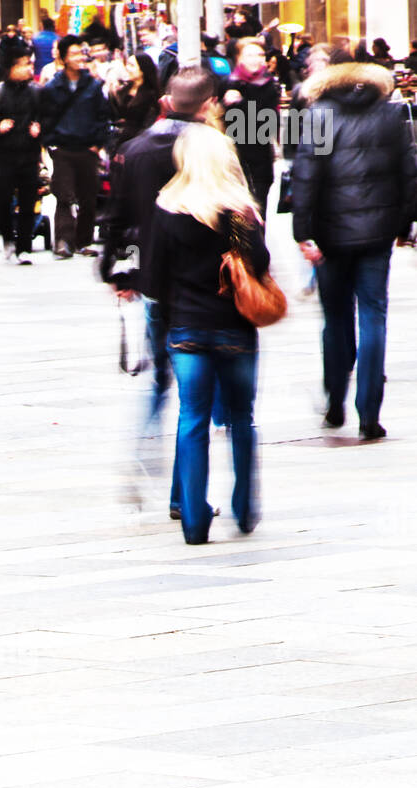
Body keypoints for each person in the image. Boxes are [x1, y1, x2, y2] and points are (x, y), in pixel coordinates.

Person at [102, 67, 217, 512]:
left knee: (162, 382)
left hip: (153, 280)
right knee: (198, 392)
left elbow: (116, 217)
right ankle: (183, 494)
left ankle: (143, 458)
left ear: (167, 101)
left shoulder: (134, 150)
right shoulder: (209, 150)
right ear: (208, 104)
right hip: (201, 283)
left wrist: (115, 271)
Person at [149, 123, 267, 545]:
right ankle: (244, 506)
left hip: (187, 330)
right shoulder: (237, 211)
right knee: (241, 417)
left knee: (192, 418)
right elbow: (255, 265)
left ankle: (194, 520)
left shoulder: (168, 209)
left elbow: (154, 277)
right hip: (234, 330)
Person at [292, 58, 417, 439]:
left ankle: (334, 403)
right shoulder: (390, 114)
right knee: (374, 315)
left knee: (336, 317)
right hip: (377, 233)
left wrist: (303, 232)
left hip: (331, 234)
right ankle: (369, 413)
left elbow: (306, 175)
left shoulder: (321, 115)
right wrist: (404, 224)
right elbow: (409, 173)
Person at [40, 35, 110, 259]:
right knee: (63, 195)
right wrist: (51, 144)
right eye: (73, 54)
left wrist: (98, 144)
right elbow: (45, 119)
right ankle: (63, 241)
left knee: (88, 197)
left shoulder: (93, 85)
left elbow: (103, 116)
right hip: (63, 149)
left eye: (81, 53)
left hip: (87, 148)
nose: (79, 58)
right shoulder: (52, 87)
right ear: (62, 59)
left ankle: (84, 241)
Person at [0, 38, 42, 264]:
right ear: (11, 68)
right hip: (5, 157)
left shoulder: (37, 93)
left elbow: (51, 119)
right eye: (24, 64)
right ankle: (7, 239)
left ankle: (25, 247)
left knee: (28, 202)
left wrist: (40, 129)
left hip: (30, 156)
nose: (28, 69)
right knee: (3, 201)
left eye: (30, 64)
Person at [221, 37, 279, 220]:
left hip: (259, 154)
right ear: (239, 58)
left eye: (260, 54)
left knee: (258, 207)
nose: (256, 59)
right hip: (231, 154)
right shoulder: (227, 83)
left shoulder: (269, 85)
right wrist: (225, 103)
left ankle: (258, 245)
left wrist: (240, 103)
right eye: (250, 54)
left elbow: (268, 121)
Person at [108, 52, 159, 149]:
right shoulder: (123, 89)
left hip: (138, 145)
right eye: (127, 64)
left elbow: (148, 124)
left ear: (142, 70)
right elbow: (114, 114)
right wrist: (113, 94)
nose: (127, 68)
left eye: (132, 65)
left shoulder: (150, 95)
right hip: (118, 142)